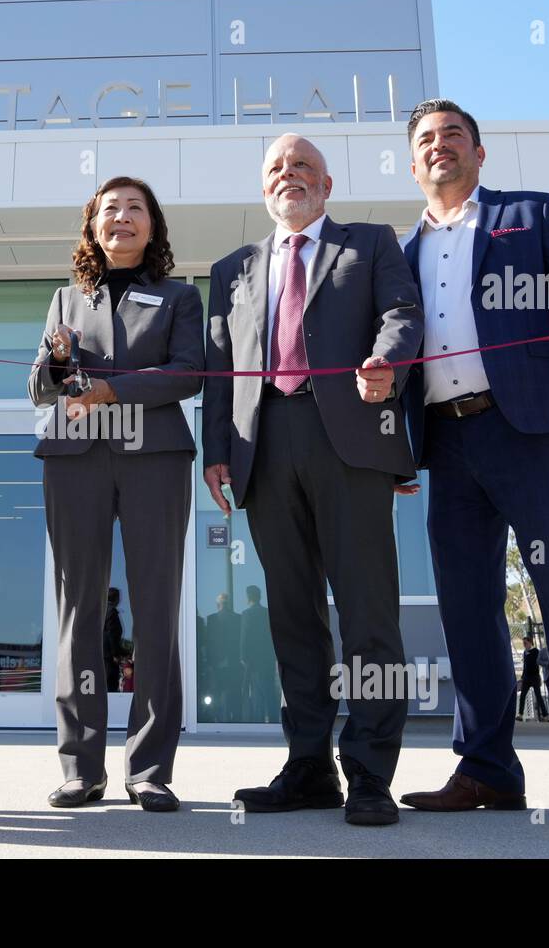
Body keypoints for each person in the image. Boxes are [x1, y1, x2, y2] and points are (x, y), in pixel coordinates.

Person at [395, 99, 549, 831]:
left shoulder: (527, 215)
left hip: (528, 431)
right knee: (468, 612)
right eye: (426, 141)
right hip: (445, 442)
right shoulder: (400, 254)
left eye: (453, 136)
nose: (440, 147)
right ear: (413, 166)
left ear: (478, 153)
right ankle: (487, 771)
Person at [203, 134, 424, 826]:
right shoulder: (231, 268)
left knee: (367, 613)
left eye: (302, 167)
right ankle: (308, 768)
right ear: (264, 188)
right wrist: (217, 450)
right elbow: (219, 369)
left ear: (325, 184)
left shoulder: (370, 242)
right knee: (292, 616)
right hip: (263, 443)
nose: (288, 175)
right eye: (276, 168)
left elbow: (404, 315)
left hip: (350, 437)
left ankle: (369, 772)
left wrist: (387, 363)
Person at [30, 176, 203, 813]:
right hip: (75, 459)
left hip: (153, 459)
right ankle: (82, 767)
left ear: (151, 225)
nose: (122, 218)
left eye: (135, 209)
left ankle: (150, 768)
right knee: (79, 609)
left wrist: (113, 391)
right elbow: (40, 388)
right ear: (93, 225)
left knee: (156, 607)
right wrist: (53, 367)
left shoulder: (181, 296)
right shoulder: (63, 297)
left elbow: (189, 373)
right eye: (110, 210)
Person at [240, 585, 279, 723]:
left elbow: (245, 637)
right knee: (269, 691)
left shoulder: (247, 614)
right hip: (268, 658)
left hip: (254, 661)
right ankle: (274, 720)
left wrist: (243, 657)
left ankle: (258, 721)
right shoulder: (267, 613)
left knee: (257, 692)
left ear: (248, 597)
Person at [516, 636, 549, 720]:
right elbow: (525, 666)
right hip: (527, 677)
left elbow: (535, 664)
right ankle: (520, 714)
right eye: (523, 643)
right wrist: (522, 677)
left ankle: (545, 714)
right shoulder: (525, 652)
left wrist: (539, 678)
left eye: (525, 643)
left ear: (530, 643)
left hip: (534, 677)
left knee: (538, 696)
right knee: (523, 695)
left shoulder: (535, 651)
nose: (524, 645)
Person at [103, 587, 126, 693]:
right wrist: (115, 654)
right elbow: (112, 635)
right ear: (116, 598)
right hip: (109, 657)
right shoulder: (111, 612)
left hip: (102, 654)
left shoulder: (102, 610)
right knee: (110, 686)